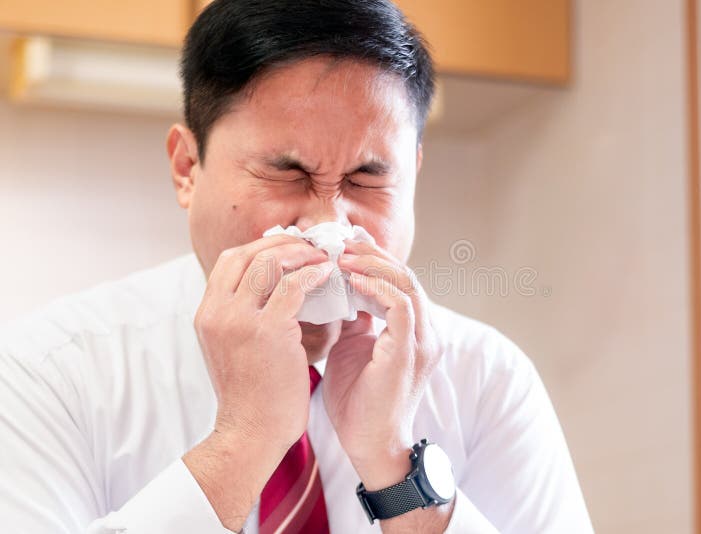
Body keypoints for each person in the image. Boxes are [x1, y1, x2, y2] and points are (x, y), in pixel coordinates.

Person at [0, 1, 593, 532]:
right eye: (286, 173)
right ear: (187, 167)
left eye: (368, 177)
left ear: (413, 174)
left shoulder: (487, 379)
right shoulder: (47, 372)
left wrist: (394, 465)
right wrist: (242, 442)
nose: (327, 226)